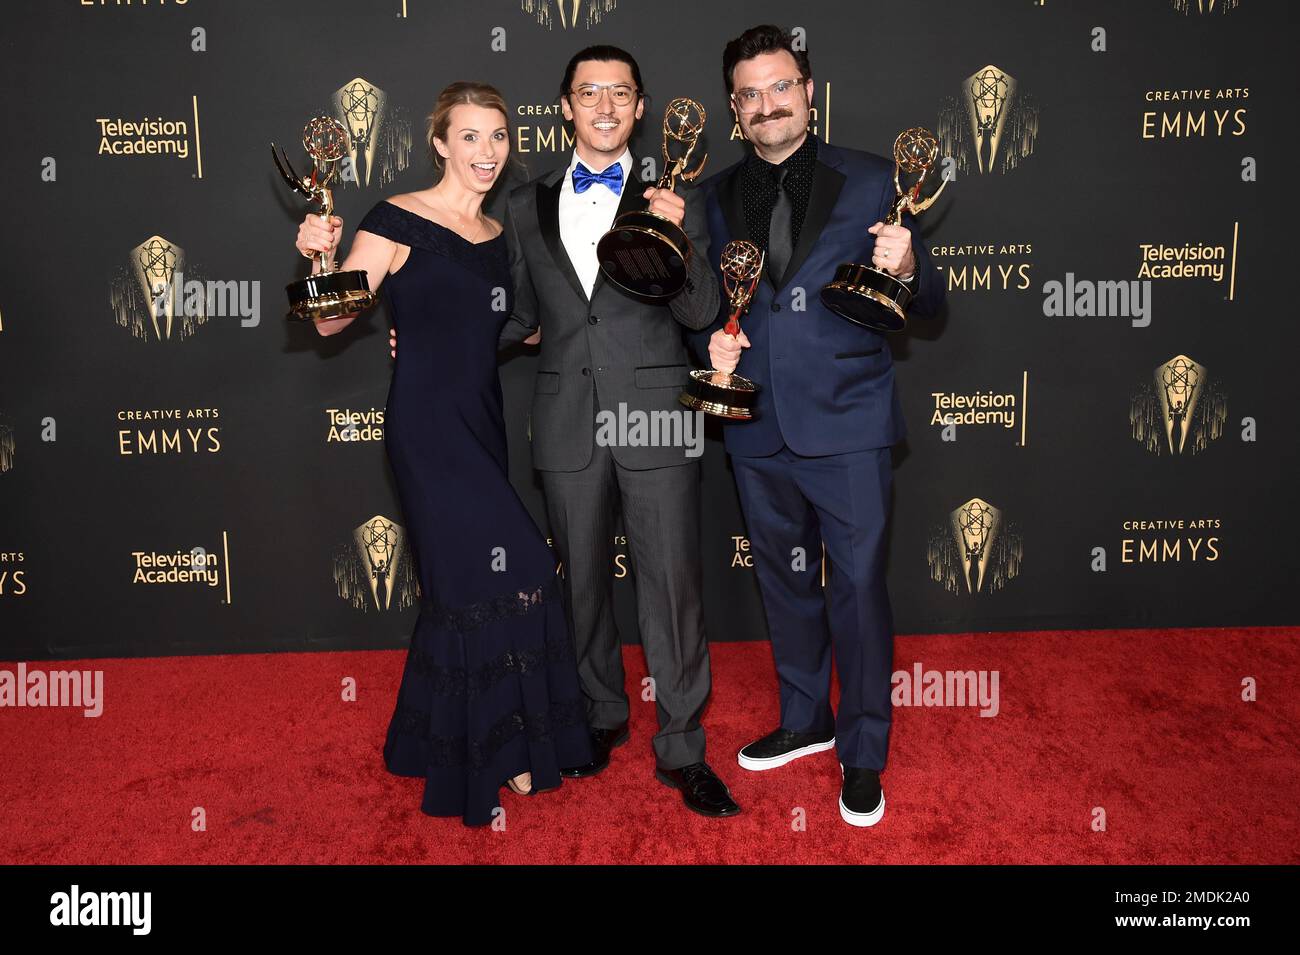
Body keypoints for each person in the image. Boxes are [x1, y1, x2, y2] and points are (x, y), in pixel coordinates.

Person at [394, 46, 737, 817]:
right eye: (590, 92)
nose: (606, 105)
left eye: (621, 92)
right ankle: (600, 716)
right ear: (565, 106)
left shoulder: (677, 195)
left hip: (654, 415)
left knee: (672, 590)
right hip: (564, 420)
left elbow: (705, 313)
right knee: (579, 584)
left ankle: (683, 747)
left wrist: (675, 247)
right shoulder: (522, 203)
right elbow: (513, 315)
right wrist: (428, 336)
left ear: (641, 107)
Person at [294, 81, 593, 827]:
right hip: (426, 430)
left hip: (482, 422)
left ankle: (433, 735)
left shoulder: (501, 236)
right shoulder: (398, 218)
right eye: (469, 136)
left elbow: (516, 326)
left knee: (464, 588)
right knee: (519, 568)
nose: (487, 152)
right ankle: (500, 752)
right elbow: (332, 325)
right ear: (439, 142)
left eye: (498, 137)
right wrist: (318, 261)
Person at [691, 25, 945, 827]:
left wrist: (908, 268)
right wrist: (714, 343)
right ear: (736, 109)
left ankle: (864, 750)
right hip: (755, 424)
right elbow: (711, 300)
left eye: (780, 87)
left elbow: (931, 307)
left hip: (849, 424)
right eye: (750, 94)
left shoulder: (874, 180)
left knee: (860, 591)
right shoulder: (715, 192)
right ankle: (806, 717)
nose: (767, 104)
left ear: (807, 90)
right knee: (785, 584)